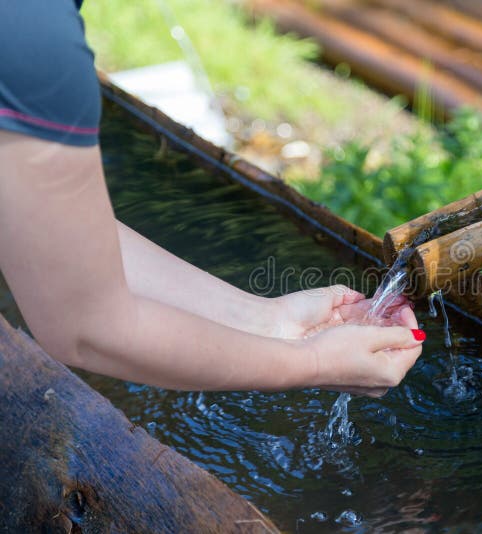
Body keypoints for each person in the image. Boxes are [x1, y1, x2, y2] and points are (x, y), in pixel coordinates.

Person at [0, 0, 424, 397]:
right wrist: (312, 362)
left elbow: (57, 238)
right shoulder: (33, 43)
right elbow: (88, 326)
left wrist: (268, 322)